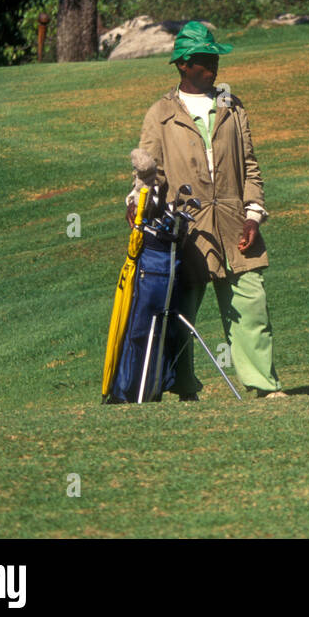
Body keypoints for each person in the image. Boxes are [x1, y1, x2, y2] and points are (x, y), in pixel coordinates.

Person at [126, 21, 286, 399]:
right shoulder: (160, 114)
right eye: (203, 58)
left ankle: (265, 386)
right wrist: (139, 205)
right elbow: (148, 174)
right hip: (185, 228)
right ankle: (182, 388)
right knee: (181, 313)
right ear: (183, 64)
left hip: (235, 223)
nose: (212, 64)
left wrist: (253, 215)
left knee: (252, 306)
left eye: (214, 56)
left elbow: (250, 166)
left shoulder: (233, 106)